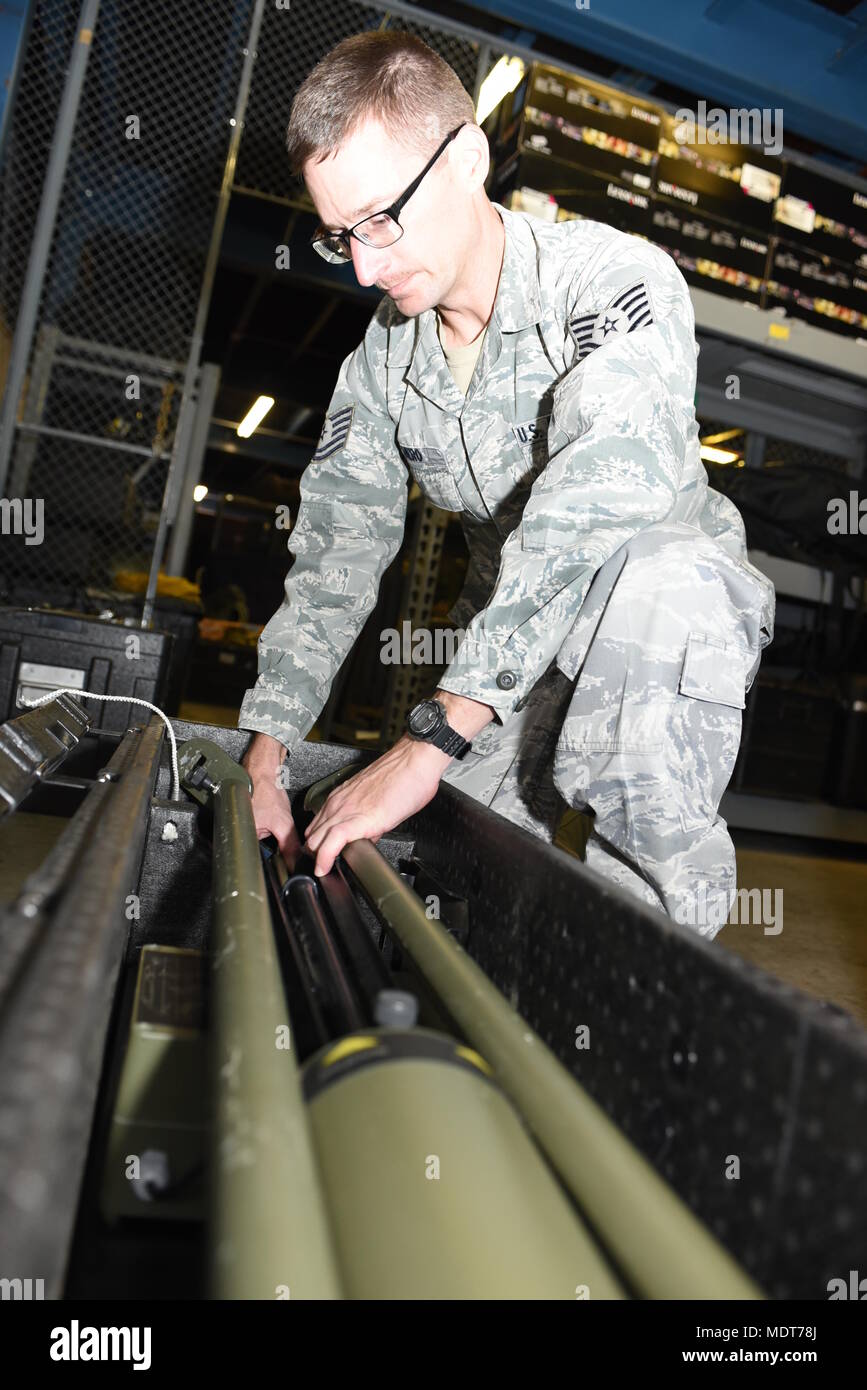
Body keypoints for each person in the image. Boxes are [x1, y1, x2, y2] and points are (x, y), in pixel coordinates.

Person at [239, 31, 775, 935]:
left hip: (648, 622)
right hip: (506, 650)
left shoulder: (610, 282)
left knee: (659, 579)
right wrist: (264, 756)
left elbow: (593, 509)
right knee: (432, 872)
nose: (366, 266)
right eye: (339, 238)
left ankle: (653, 1000)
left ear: (469, 158)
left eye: (380, 218)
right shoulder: (380, 365)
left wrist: (436, 734)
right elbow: (334, 557)